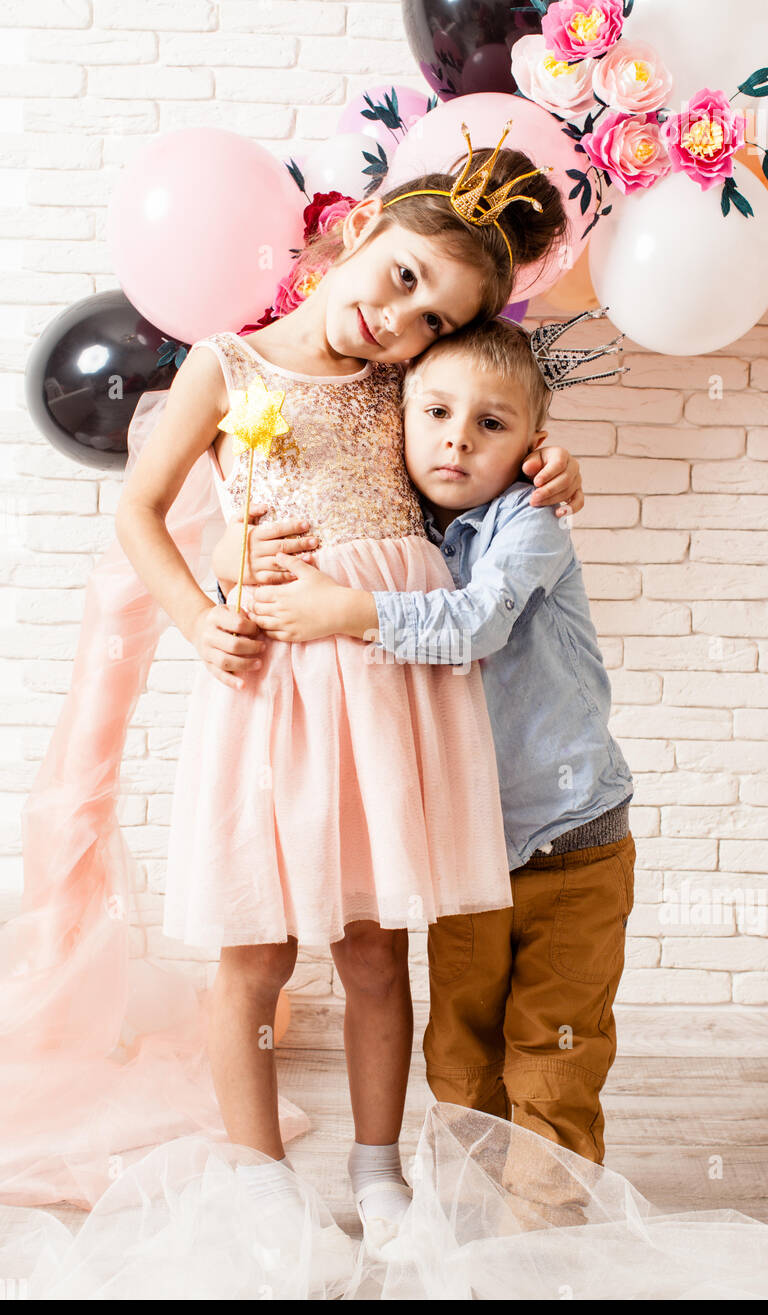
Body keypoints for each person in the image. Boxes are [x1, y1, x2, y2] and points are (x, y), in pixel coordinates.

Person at [113, 128, 574, 1255]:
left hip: (383, 688)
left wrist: (551, 465)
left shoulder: (405, 383)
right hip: (274, 685)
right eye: (403, 280)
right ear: (356, 231)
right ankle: (259, 1177)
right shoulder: (226, 364)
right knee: (256, 951)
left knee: (374, 947)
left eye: (432, 322)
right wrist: (201, 606)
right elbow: (139, 507)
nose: (402, 322)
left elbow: (478, 439)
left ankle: (378, 1173)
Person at [214, 313, 635, 1177]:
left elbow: (476, 623)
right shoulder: (412, 526)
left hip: (566, 838)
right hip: (465, 843)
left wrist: (353, 612)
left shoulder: (531, 523)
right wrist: (229, 557)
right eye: (436, 415)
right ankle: (469, 1216)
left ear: (532, 443)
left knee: (553, 1046)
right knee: (460, 1047)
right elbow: (290, 521)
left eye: (491, 424)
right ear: (400, 420)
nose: (456, 443)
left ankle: (547, 1235)